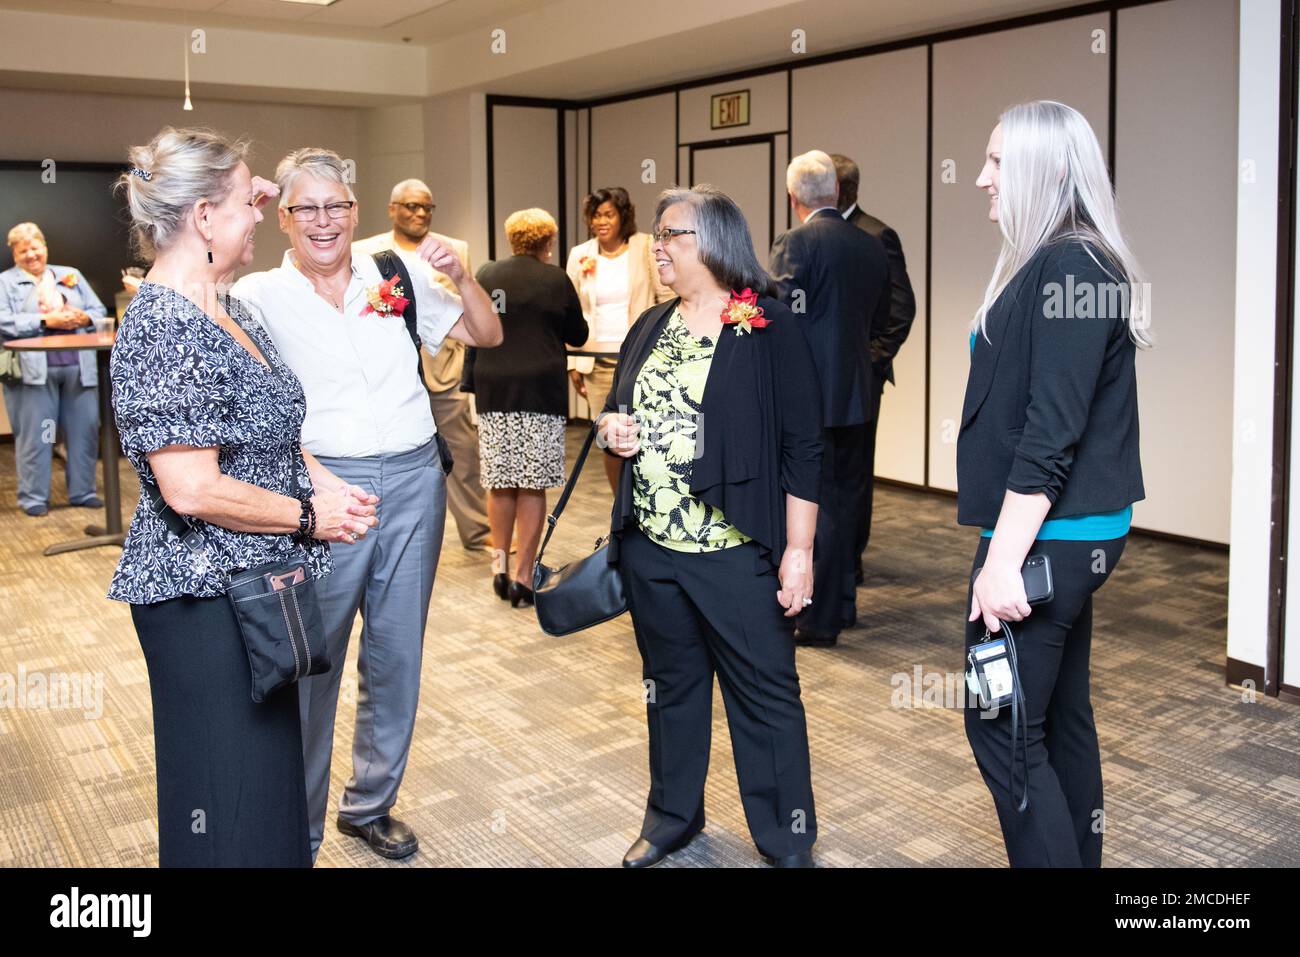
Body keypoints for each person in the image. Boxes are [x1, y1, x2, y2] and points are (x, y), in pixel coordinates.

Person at [107, 127, 377, 867]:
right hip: (200, 601)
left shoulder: (226, 305)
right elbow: (190, 487)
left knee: (266, 789)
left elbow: (273, 427)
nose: (263, 213)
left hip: (257, 586)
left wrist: (321, 480)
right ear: (201, 219)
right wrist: (307, 516)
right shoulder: (164, 323)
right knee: (221, 798)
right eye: (249, 202)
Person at [231, 148, 501, 862]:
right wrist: (247, 199)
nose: (324, 222)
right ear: (283, 219)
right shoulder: (256, 294)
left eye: (337, 206)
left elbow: (485, 332)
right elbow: (192, 284)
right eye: (306, 208)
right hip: (326, 489)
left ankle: (370, 803)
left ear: (356, 212)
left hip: (415, 478)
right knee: (313, 661)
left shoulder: (396, 272)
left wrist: (464, 278)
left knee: (396, 652)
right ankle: (301, 823)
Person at [599, 184, 823, 868]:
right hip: (653, 546)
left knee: (765, 694)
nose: (657, 246)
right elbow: (616, 409)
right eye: (657, 235)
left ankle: (786, 835)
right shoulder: (650, 325)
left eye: (672, 234)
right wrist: (613, 429)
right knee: (670, 688)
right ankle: (674, 815)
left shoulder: (768, 325)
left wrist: (800, 551)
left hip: (735, 550)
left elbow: (805, 446)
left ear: (717, 242)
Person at [961, 100, 1148, 867]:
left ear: (1052, 168)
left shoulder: (1074, 262)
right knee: (1058, 714)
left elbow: (1052, 430)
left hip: (1046, 538)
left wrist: (1002, 561)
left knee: (1000, 723)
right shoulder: (1068, 258)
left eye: (998, 162)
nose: (981, 179)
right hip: (1068, 536)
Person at [769, 149, 889, 647]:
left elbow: (777, 320)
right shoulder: (871, 245)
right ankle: (840, 606)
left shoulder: (794, 243)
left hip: (807, 398)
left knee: (806, 505)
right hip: (856, 395)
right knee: (841, 504)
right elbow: (880, 320)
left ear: (793, 196)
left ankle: (813, 616)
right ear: (837, 192)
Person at [353, 178, 491, 551]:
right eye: (411, 206)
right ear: (392, 209)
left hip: (443, 369)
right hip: (390, 374)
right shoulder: (366, 251)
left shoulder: (453, 248)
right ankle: (384, 535)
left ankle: (478, 531)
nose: (419, 214)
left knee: (463, 453)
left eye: (426, 207)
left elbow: (468, 306)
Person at [471, 209, 587, 606]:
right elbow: (578, 333)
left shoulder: (487, 274)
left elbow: (474, 329)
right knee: (532, 484)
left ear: (511, 238)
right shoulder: (556, 279)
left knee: (500, 481)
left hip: (494, 389)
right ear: (549, 242)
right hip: (540, 390)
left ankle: (499, 566)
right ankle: (524, 575)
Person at [830, 154, 917, 585]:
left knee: (854, 472)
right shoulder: (813, 234)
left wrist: (870, 364)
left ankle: (850, 559)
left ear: (840, 188)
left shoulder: (877, 234)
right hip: (818, 383)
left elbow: (901, 309)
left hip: (860, 381)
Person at [565, 186, 673, 491]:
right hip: (596, 362)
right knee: (610, 441)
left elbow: (665, 296)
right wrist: (573, 362)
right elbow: (571, 313)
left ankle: (646, 503)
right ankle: (619, 509)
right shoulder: (580, 254)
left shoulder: (645, 246)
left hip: (641, 358)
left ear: (622, 216)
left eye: (608, 214)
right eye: (596, 215)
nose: (601, 221)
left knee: (647, 435)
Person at [0, 223, 105, 516]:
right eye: (24, 250)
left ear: (45, 247)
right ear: (14, 254)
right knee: (37, 436)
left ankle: (83, 492)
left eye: (36, 248)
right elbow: (3, 321)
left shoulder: (70, 275)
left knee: (84, 431)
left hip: (78, 366)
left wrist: (83, 316)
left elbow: (98, 312)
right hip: (34, 373)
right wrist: (47, 322)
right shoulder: (5, 283)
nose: (32, 255)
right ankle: (33, 498)